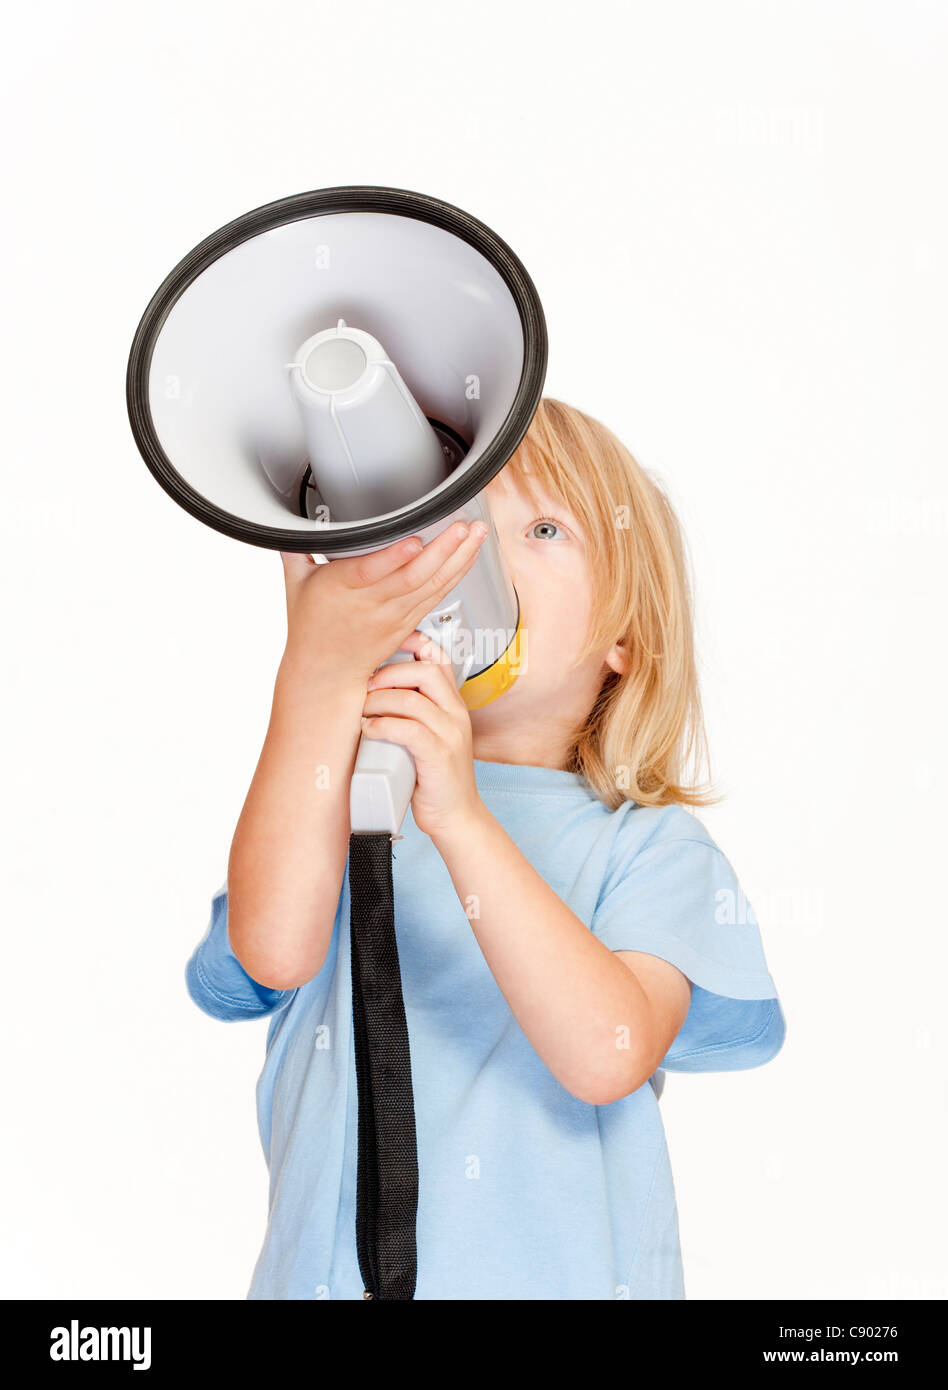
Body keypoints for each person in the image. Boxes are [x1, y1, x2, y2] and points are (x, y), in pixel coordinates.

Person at [186, 397, 786, 1300]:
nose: (482, 554)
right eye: (455, 522)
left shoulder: (649, 850)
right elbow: (271, 948)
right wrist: (316, 672)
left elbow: (607, 1052)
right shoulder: (337, 799)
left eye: (542, 527)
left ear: (626, 638)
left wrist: (462, 818)